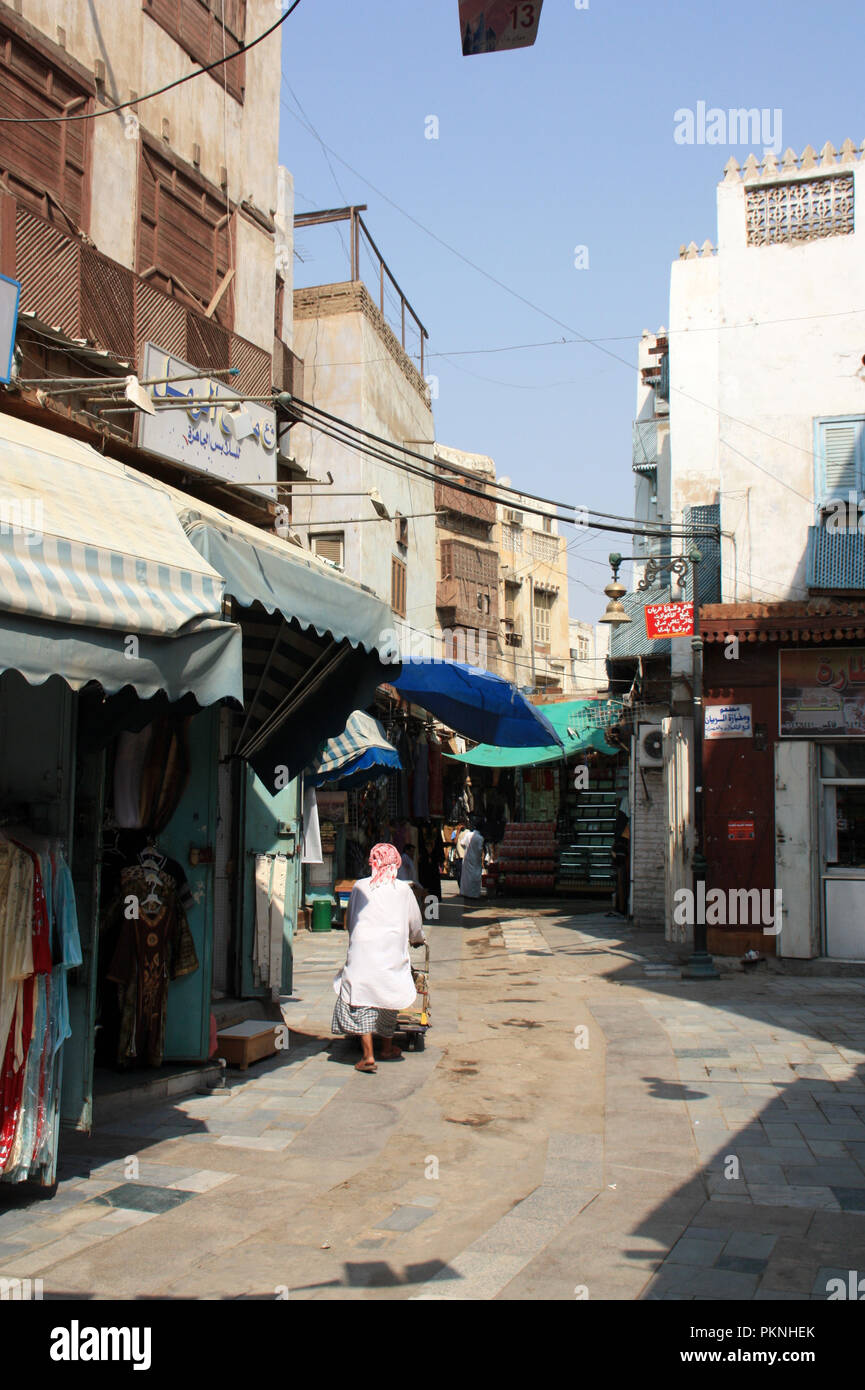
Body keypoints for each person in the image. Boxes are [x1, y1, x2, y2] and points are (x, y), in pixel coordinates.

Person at [332, 843, 425, 1073]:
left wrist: (357, 940)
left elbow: (351, 920)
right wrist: (417, 939)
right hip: (392, 954)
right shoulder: (404, 890)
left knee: (361, 998)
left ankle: (368, 1054)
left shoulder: (360, 887)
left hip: (363, 953)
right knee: (388, 996)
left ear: (373, 862)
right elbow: (415, 924)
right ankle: (386, 1046)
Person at [459, 823, 485, 901]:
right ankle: (474, 894)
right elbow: (480, 850)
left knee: (466, 877)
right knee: (475, 877)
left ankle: (465, 892)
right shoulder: (480, 838)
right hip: (476, 860)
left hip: (467, 858)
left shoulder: (468, 835)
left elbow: (462, 843)